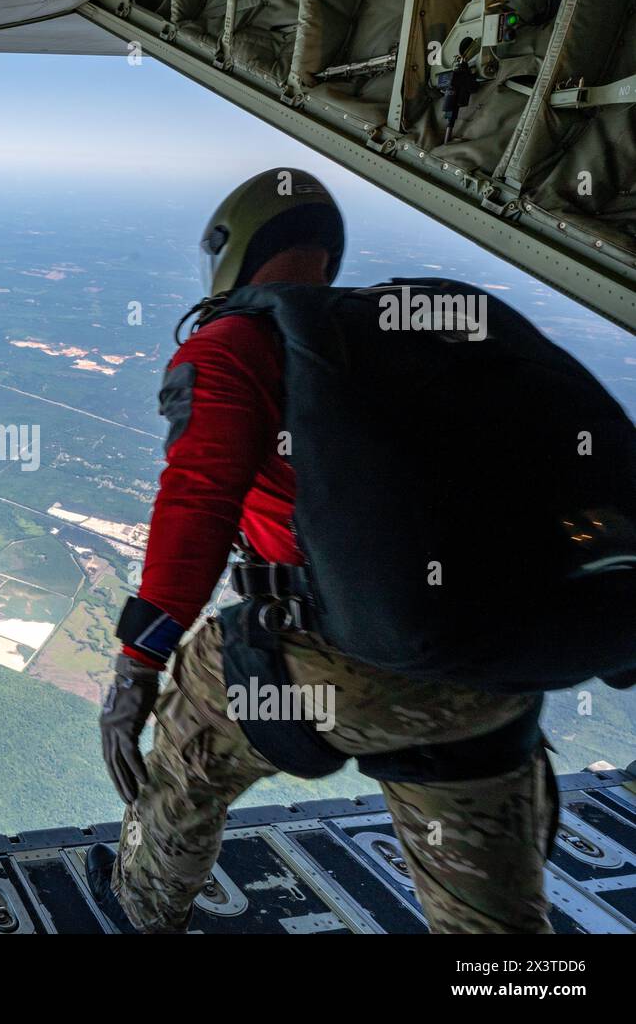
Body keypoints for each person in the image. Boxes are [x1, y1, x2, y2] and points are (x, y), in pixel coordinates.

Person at [89, 168, 563, 935]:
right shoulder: (410, 343)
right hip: (487, 664)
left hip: (339, 659)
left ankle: (141, 904)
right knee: (495, 930)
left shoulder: (237, 342)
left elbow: (198, 499)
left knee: (189, 747)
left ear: (231, 251)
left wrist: (136, 664)